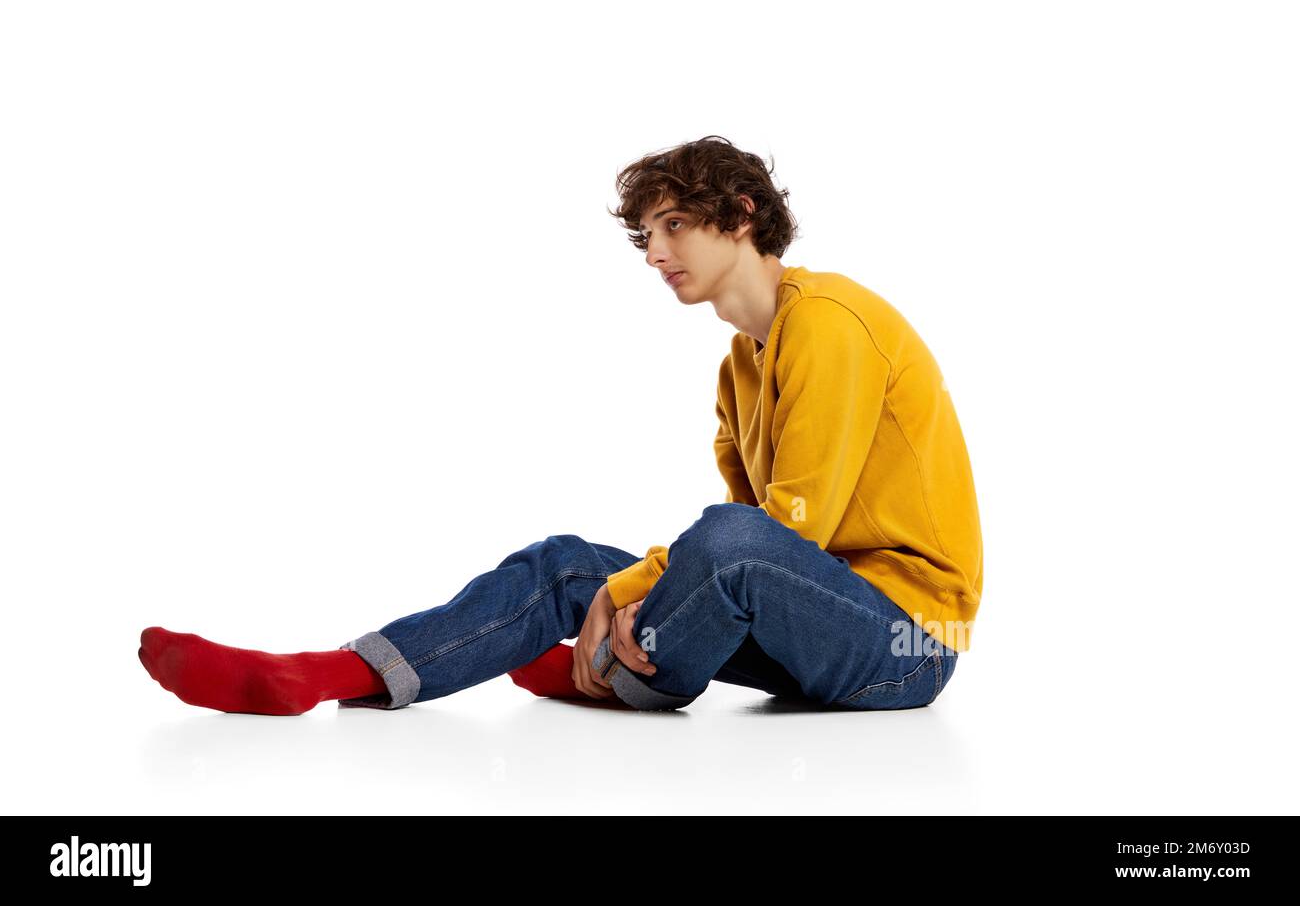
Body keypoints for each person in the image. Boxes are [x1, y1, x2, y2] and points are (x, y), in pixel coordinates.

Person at [137, 135, 983, 715]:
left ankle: (613, 675)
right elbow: (754, 557)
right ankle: (331, 673)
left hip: (907, 640)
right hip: (807, 629)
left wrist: (638, 587)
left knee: (721, 544)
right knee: (565, 564)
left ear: (742, 211)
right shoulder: (738, 370)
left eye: (675, 225)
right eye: (648, 235)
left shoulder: (830, 321)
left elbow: (787, 530)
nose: (656, 254)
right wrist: (632, 583)